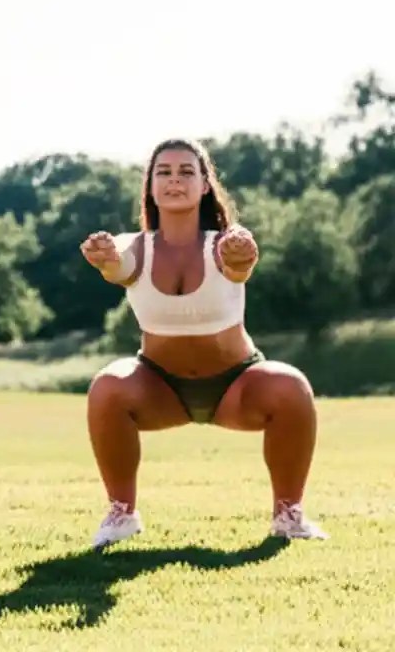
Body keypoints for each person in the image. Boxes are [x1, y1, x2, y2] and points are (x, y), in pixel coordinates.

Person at [80, 137, 328, 551]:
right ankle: (121, 513)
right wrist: (103, 257)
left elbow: (239, 265)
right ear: (151, 186)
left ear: (205, 184)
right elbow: (119, 266)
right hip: (160, 387)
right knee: (107, 385)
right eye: (164, 172)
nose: (174, 180)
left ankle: (289, 515)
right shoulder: (134, 247)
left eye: (185, 172)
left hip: (236, 385)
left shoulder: (225, 244)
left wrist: (242, 255)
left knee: (291, 386)